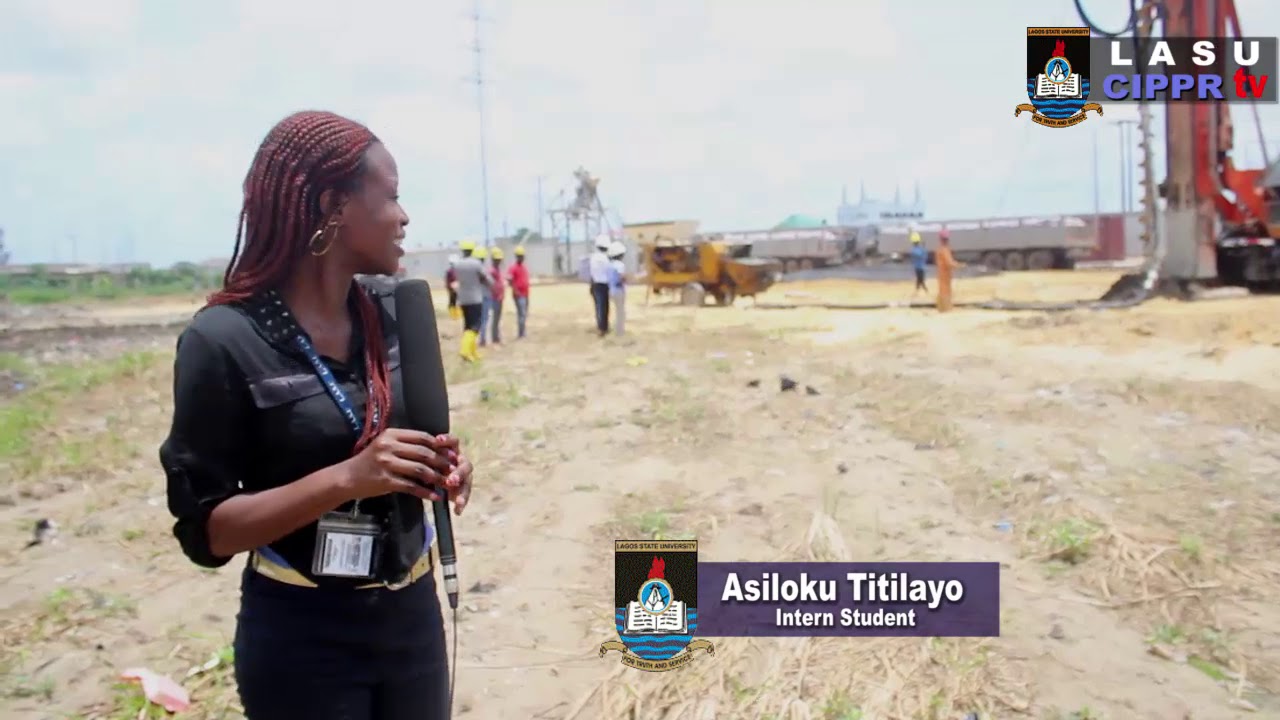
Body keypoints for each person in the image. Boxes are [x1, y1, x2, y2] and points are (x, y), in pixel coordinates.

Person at [159, 110, 475, 720]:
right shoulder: (224, 339)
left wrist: (440, 468)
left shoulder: (397, 311)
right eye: (393, 197)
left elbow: (413, 442)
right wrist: (347, 479)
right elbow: (209, 532)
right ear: (334, 204)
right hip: (305, 638)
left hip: (413, 617)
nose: (405, 217)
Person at [453, 240, 490, 362]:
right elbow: (485, 278)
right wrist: (492, 285)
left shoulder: (458, 264)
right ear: (472, 250)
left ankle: (472, 352)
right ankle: (464, 351)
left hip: (463, 299)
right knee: (475, 326)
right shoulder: (476, 264)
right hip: (475, 298)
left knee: (468, 325)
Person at [588, 234, 612, 336]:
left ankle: (600, 325)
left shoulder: (593, 257)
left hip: (594, 283)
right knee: (604, 306)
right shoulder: (605, 259)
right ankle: (603, 327)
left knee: (598, 306)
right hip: (603, 284)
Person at [507, 245, 530, 339]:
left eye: (522, 256)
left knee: (524, 313)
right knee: (522, 313)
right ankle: (521, 333)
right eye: (519, 256)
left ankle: (522, 331)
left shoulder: (524, 267)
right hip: (519, 295)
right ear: (516, 256)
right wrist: (515, 290)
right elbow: (509, 280)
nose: (521, 257)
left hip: (526, 294)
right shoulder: (513, 268)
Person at [935, 232, 962, 312]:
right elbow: (949, 263)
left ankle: (942, 308)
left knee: (943, 289)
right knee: (945, 290)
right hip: (945, 273)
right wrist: (958, 265)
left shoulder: (940, 249)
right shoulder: (944, 250)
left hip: (943, 272)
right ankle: (945, 308)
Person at [607, 241, 628, 336]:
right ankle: (620, 332)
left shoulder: (609, 264)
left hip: (611, 290)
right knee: (621, 312)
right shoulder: (619, 265)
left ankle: (617, 329)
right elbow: (622, 277)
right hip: (619, 290)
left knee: (617, 310)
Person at [486, 247, 506, 346]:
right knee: (494, 319)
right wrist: (496, 294)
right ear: (493, 259)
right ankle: (494, 338)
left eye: (499, 260)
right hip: (494, 298)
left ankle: (496, 337)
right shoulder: (491, 271)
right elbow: (491, 285)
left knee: (498, 319)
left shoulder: (498, 270)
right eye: (496, 259)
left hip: (500, 298)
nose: (498, 261)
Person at [474, 246, 490, 348]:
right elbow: (489, 282)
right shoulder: (482, 269)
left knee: (478, 319)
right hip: (484, 296)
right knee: (484, 319)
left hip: (475, 297)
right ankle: (482, 339)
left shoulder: (472, 270)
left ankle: (478, 339)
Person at [444, 255, 460, 321]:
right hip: (452, 289)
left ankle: (457, 315)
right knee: (452, 302)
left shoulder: (458, 271)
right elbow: (447, 281)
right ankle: (453, 315)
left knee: (458, 302)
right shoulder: (449, 271)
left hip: (458, 289)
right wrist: (450, 287)